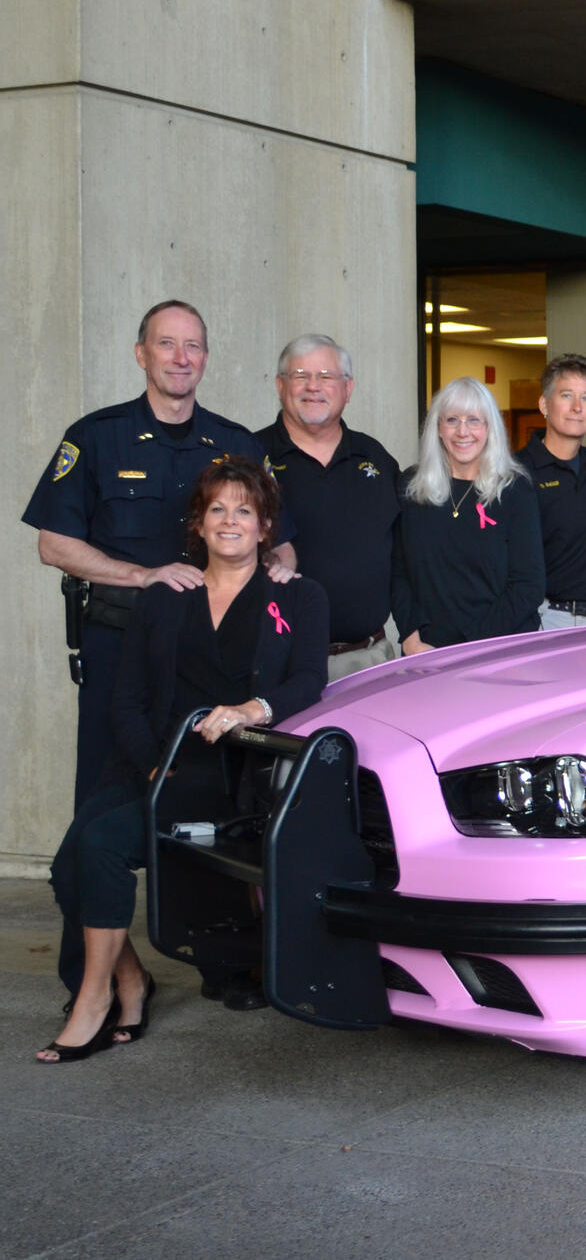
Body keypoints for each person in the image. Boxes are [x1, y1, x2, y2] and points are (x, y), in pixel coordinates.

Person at [39, 457, 328, 1061]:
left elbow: (308, 682)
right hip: (153, 762)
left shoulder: (298, 596)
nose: (230, 521)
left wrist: (255, 708)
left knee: (101, 847)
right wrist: (154, 767)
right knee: (68, 865)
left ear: (265, 525)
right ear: (197, 524)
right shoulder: (167, 596)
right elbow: (128, 697)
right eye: (217, 509)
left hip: (229, 776)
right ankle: (129, 980)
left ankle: (95, 999)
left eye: (244, 511)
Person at [23, 299, 296, 812]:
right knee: (106, 781)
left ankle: (193, 893)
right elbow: (53, 543)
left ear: (206, 357)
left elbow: (281, 541)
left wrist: (280, 567)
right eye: (166, 343)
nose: (180, 357)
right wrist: (144, 575)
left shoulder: (236, 444)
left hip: (211, 649)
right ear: (140, 354)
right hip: (119, 638)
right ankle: (92, 885)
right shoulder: (95, 438)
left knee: (209, 786)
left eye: (192, 345)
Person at [257, 334, 404, 680]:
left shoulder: (376, 459)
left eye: (325, 376)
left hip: (368, 659)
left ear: (348, 388)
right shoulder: (250, 457)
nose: (313, 387)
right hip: (279, 663)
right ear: (280, 385)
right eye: (300, 376)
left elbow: (403, 557)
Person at [393, 378, 545, 652]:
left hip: (498, 650)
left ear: (489, 428)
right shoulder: (411, 487)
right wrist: (410, 637)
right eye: (452, 419)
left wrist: (469, 646)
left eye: (474, 420)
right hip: (427, 653)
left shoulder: (514, 491)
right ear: (438, 427)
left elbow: (528, 587)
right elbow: (398, 571)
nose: (463, 431)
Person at [518, 353, 586, 630]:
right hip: (544, 617)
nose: (577, 407)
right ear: (544, 404)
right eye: (566, 395)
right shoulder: (518, 470)